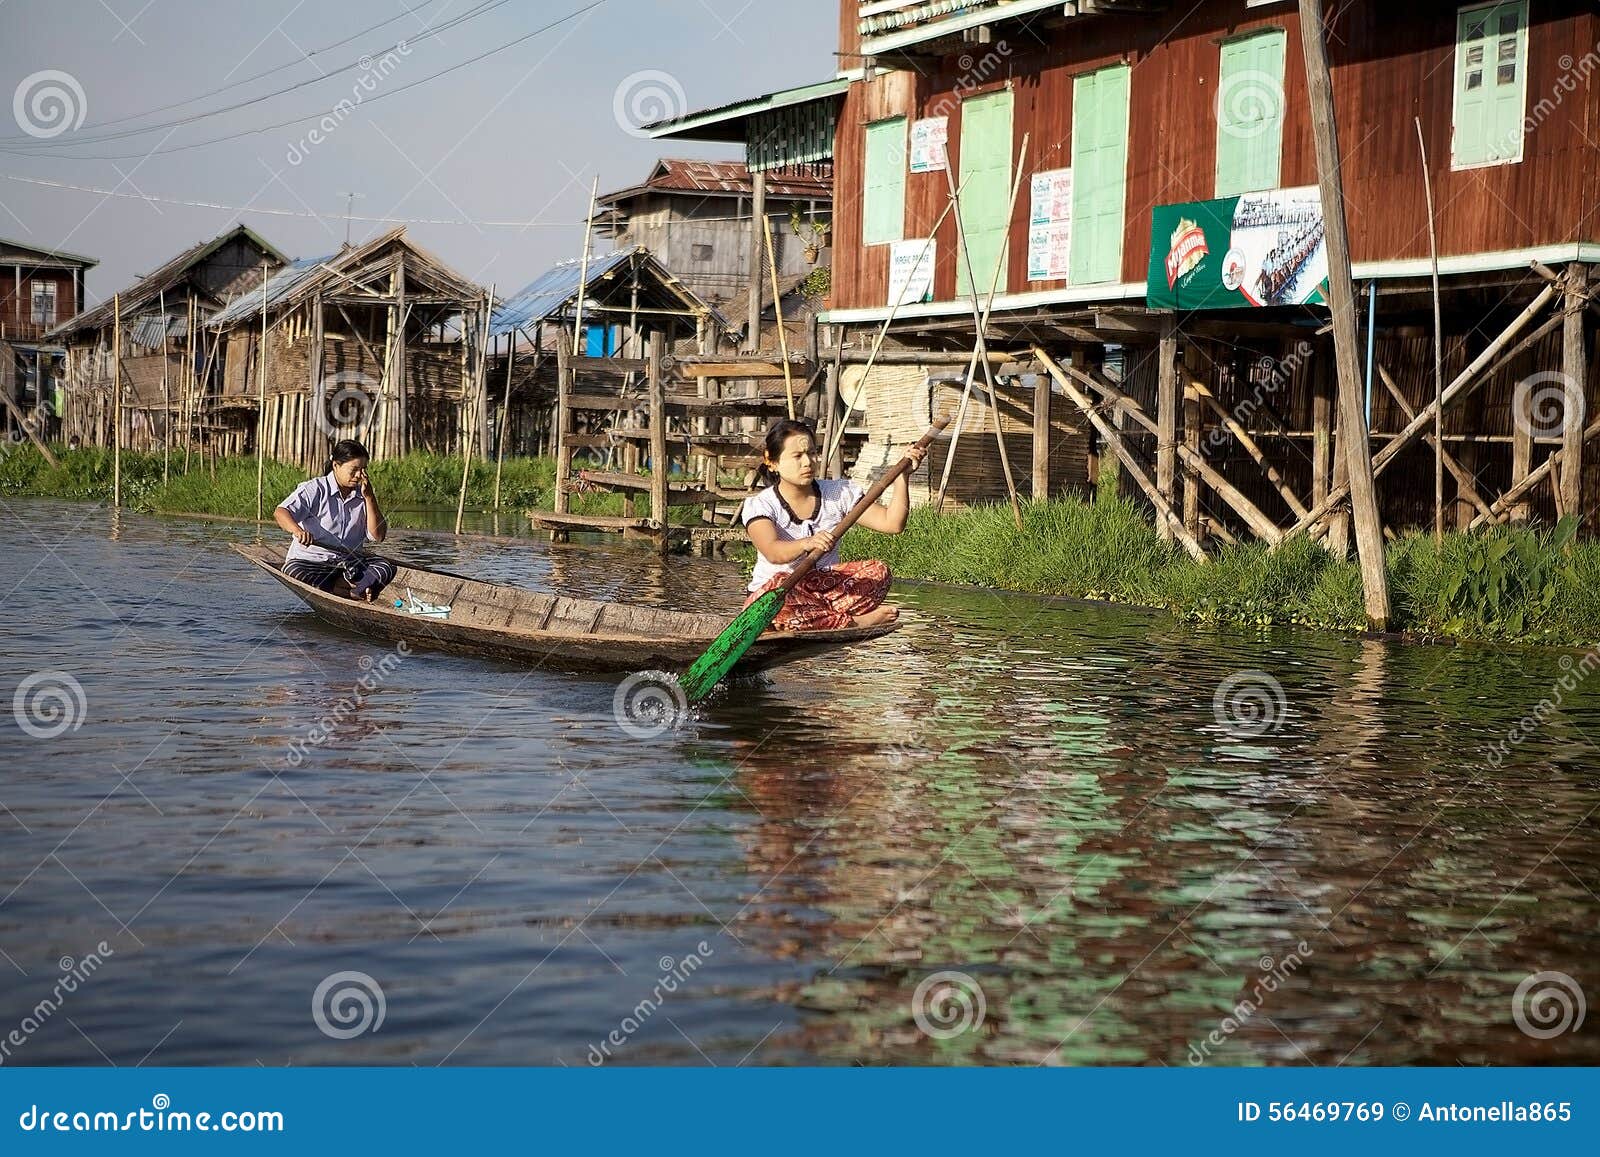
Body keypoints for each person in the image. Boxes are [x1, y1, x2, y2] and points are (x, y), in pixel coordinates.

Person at [739, 418, 925, 631]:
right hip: (779, 596)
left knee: (878, 572)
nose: (808, 462)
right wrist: (806, 543)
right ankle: (850, 622)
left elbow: (892, 524)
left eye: (811, 453)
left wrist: (903, 478)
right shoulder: (760, 504)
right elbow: (773, 552)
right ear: (772, 462)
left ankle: (821, 619)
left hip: (823, 591)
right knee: (778, 588)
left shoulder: (838, 493)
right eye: (797, 456)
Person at [273, 439, 396, 601]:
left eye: (363, 469)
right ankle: (351, 592)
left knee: (385, 567)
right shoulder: (315, 488)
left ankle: (347, 588)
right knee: (293, 571)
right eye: (354, 469)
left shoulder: (364, 494)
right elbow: (281, 512)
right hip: (311, 562)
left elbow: (378, 536)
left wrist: (369, 497)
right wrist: (298, 531)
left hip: (349, 564)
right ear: (336, 465)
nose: (359, 475)